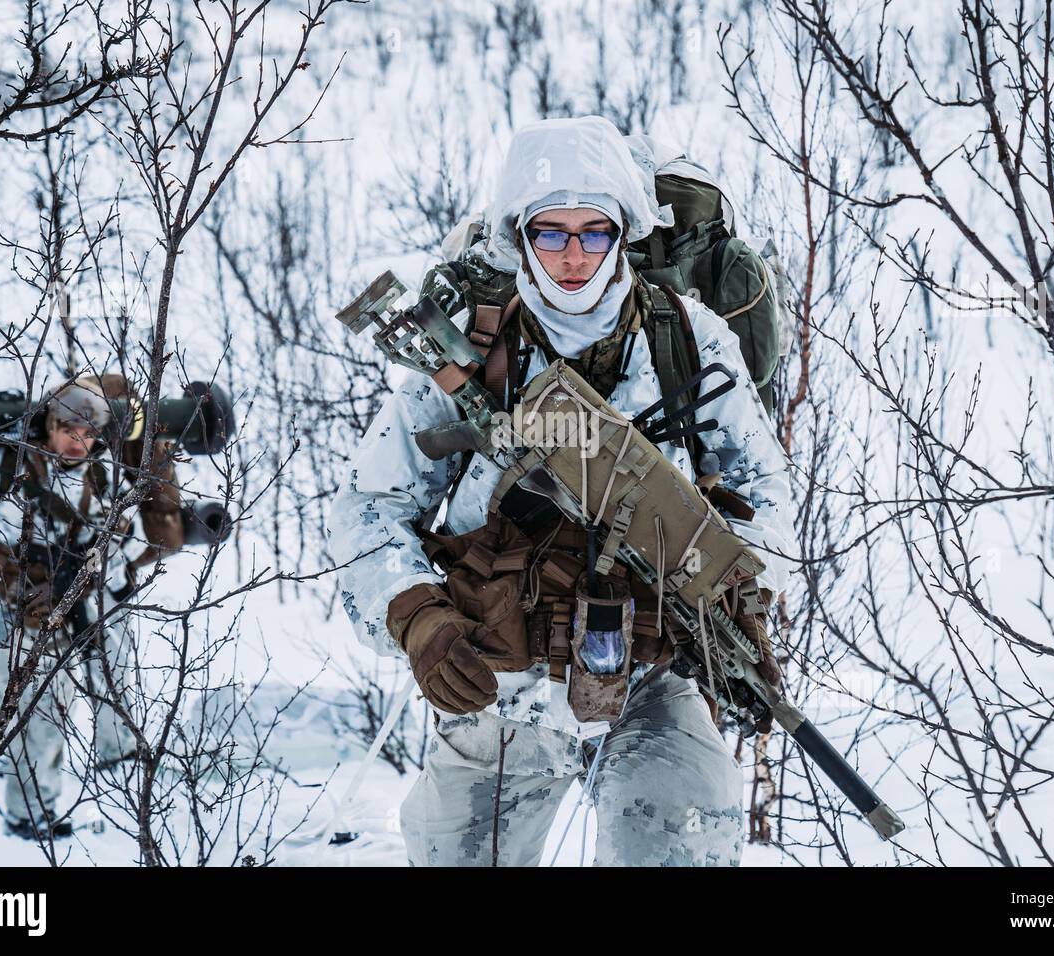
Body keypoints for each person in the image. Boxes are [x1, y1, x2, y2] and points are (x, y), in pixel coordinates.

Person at [327, 115, 798, 866]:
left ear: (623, 235)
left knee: (683, 841)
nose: (573, 256)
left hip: (655, 672)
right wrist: (417, 617)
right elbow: (370, 508)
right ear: (521, 236)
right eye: (551, 234)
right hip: (500, 675)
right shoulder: (471, 342)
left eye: (594, 232)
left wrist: (745, 600)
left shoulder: (687, 335)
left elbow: (764, 492)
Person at [0, 377, 148, 840]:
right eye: (70, 430)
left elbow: (118, 543)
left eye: (88, 434)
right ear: (49, 423)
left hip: (56, 604)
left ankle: (32, 811)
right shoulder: (4, 460)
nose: (78, 442)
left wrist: (114, 586)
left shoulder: (102, 477)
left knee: (48, 706)